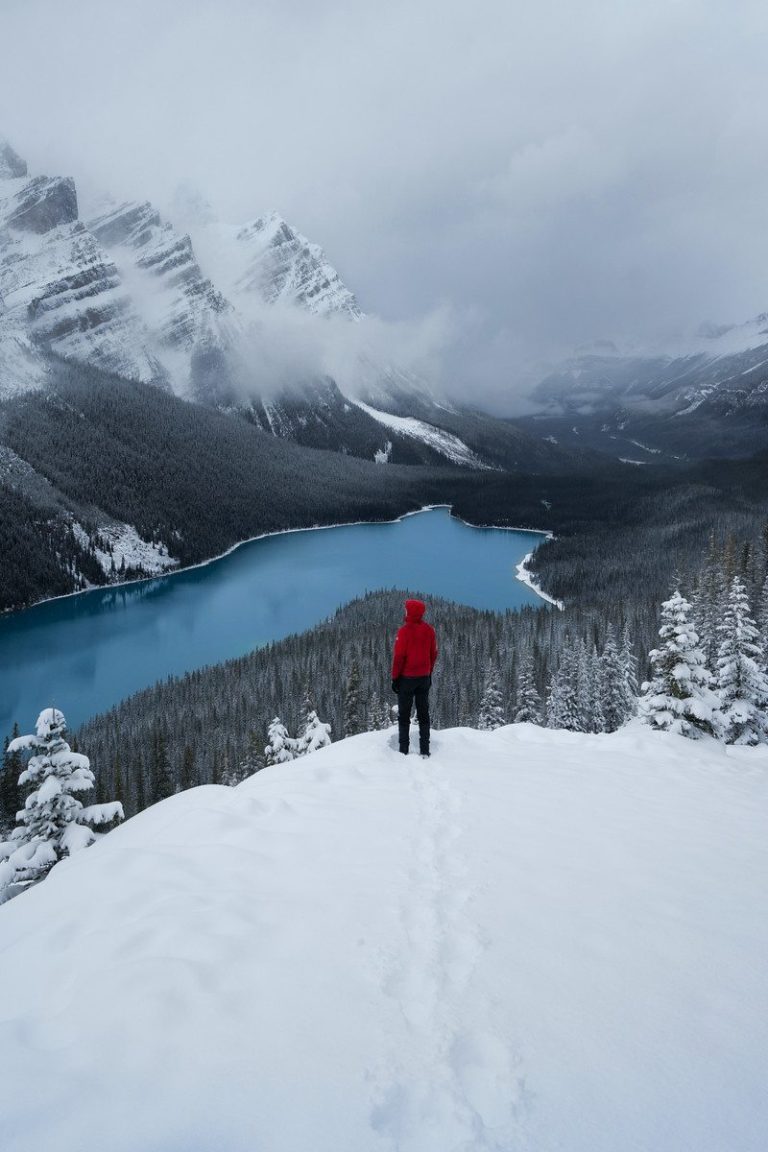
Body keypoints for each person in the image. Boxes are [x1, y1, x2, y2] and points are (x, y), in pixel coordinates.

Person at [391, 598, 438, 757]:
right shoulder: (429, 630)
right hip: (424, 678)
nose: (404, 611)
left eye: (406, 609)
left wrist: (395, 678)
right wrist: (429, 672)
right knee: (423, 712)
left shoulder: (404, 631)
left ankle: (403, 750)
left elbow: (399, 657)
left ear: (410, 612)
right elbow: (433, 654)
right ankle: (425, 749)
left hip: (407, 679)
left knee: (404, 714)